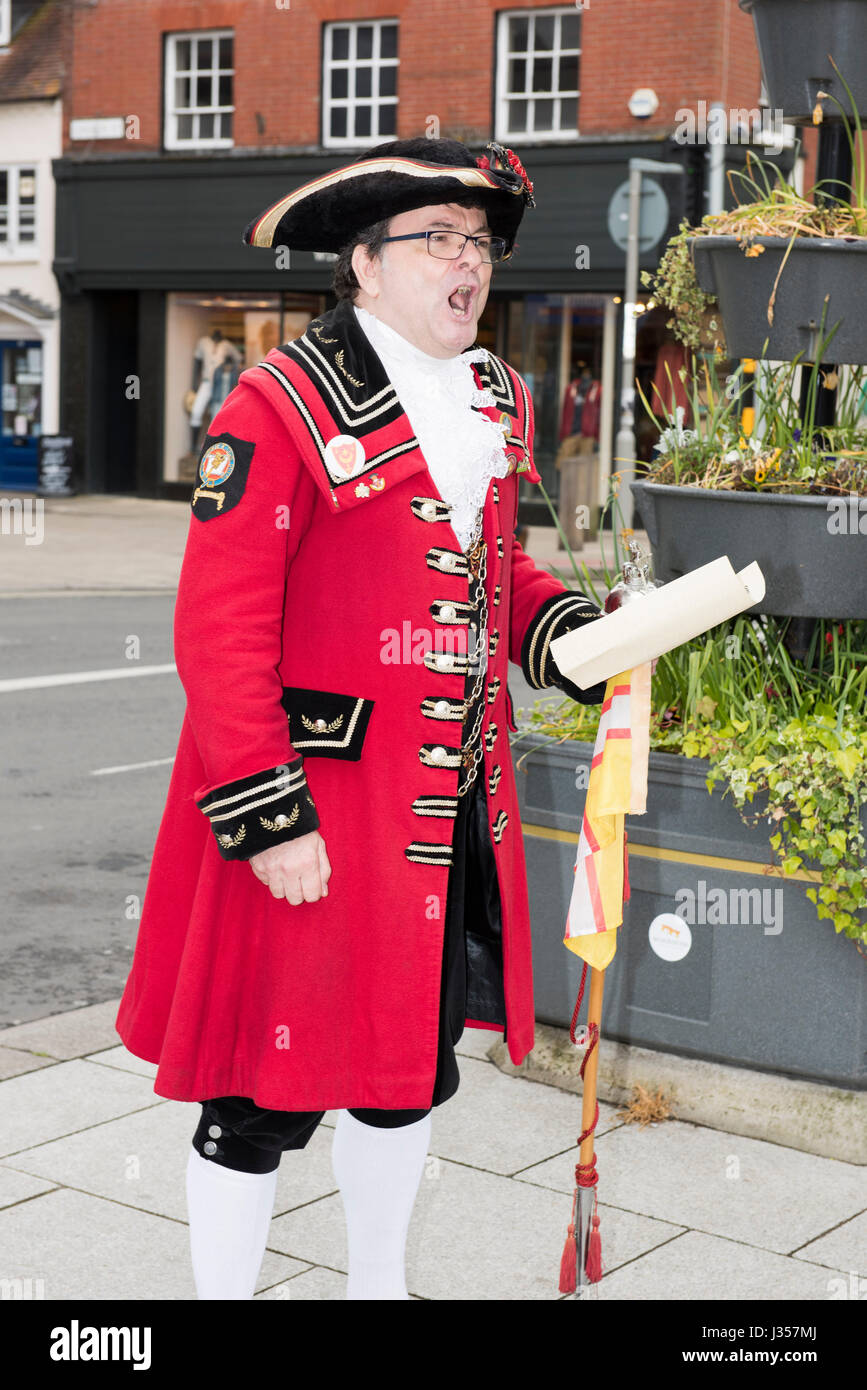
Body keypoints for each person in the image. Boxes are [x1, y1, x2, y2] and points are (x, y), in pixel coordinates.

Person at [115, 136, 607, 1301]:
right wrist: (268, 816)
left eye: (480, 244)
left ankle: (375, 1287)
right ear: (365, 264)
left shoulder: (495, 394)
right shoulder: (279, 403)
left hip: (438, 813)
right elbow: (219, 626)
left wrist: (576, 635)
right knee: (255, 1100)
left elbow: (494, 573)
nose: (468, 265)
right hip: (317, 813)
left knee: (404, 1073)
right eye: (438, 240)